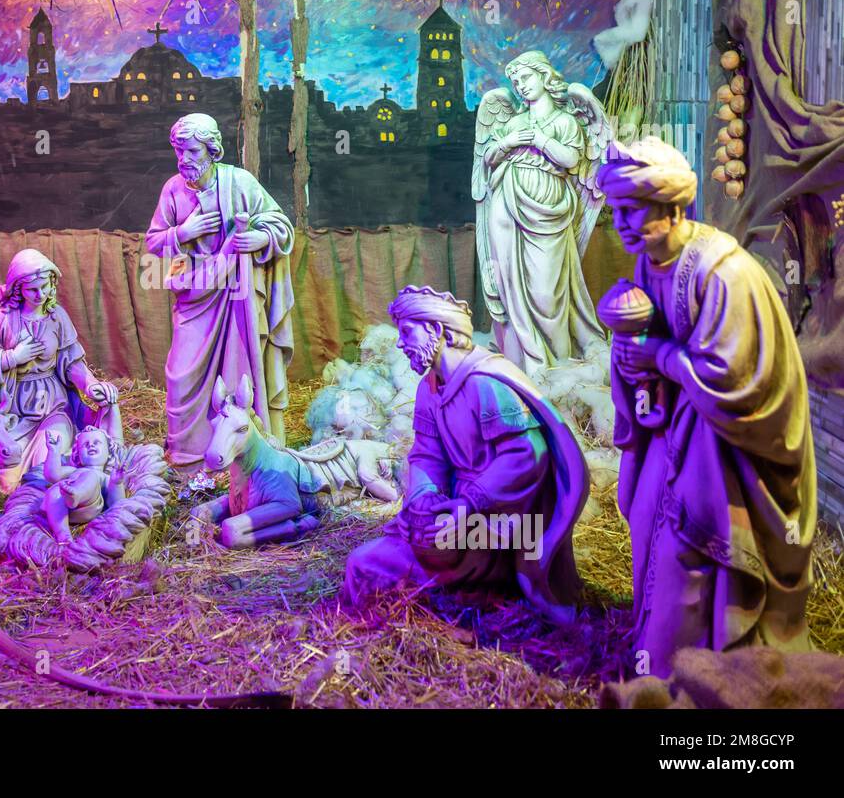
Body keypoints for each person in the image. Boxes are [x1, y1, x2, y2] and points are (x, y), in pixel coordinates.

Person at [599, 137, 816, 677]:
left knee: (691, 539)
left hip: (730, 445)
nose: (622, 224)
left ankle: (706, 667)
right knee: (646, 512)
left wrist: (659, 356)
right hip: (680, 426)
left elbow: (734, 380)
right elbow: (653, 355)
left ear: (672, 207)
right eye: (617, 211)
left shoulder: (725, 274)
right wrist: (633, 368)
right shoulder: (649, 261)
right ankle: (659, 655)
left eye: (632, 210)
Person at [342, 285, 589, 623]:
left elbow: (526, 455)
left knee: (376, 564)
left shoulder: (485, 383)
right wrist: (425, 495)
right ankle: (449, 592)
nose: (400, 343)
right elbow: (427, 454)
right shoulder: (429, 388)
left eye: (406, 332)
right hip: (458, 513)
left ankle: (479, 589)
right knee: (365, 561)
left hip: (505, 522)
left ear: (436, 329)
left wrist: (469, 504)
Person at [145, 113, 295, 467]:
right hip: (194, 293)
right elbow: (154, 241)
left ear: (212, 150)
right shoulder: (172, 190)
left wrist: (260, 237)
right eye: (179, 151)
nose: (184, 160)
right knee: (181, 375)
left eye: (192, 151)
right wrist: (183, 232)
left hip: (236, 296)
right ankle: (189, 457)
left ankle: (241, 455)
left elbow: (279, 224)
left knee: (237, 376)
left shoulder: (239, 183)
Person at [474, 51, 609, 373]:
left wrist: (539, 139)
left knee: (546, 294)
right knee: (509, 288)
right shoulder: (513, 122)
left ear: (545, 77)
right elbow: (488, 158)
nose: (520, 86)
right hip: (506, 206)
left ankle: (556, 368)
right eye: (515, 81)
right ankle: (521, 362)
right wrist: (508, 143)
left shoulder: (565, 122)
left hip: (549, 211)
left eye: (526, 78)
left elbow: (572, 161)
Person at [0, 249, 119, 490]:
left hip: (53, 407)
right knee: (5, 482)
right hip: (11, 410)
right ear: (18, 289)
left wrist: (90, 385)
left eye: (45, 286)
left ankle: (54, 500)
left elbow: (72, 362)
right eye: (32, 289)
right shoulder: (1, 319)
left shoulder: (56, 317)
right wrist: (11, 357)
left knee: (46, 465)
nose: (40, 294)